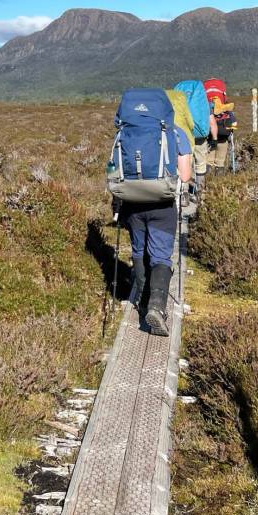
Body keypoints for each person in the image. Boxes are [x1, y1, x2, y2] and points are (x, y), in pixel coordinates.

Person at [108, 89, 194, 337]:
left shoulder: (124, 133)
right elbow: (185, 175)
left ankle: (143, 302)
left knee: (138, 250)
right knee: (160, 255)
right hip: (162, 202)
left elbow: (114, 169)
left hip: (132, 201)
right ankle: (157, 306)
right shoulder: (174, 133)